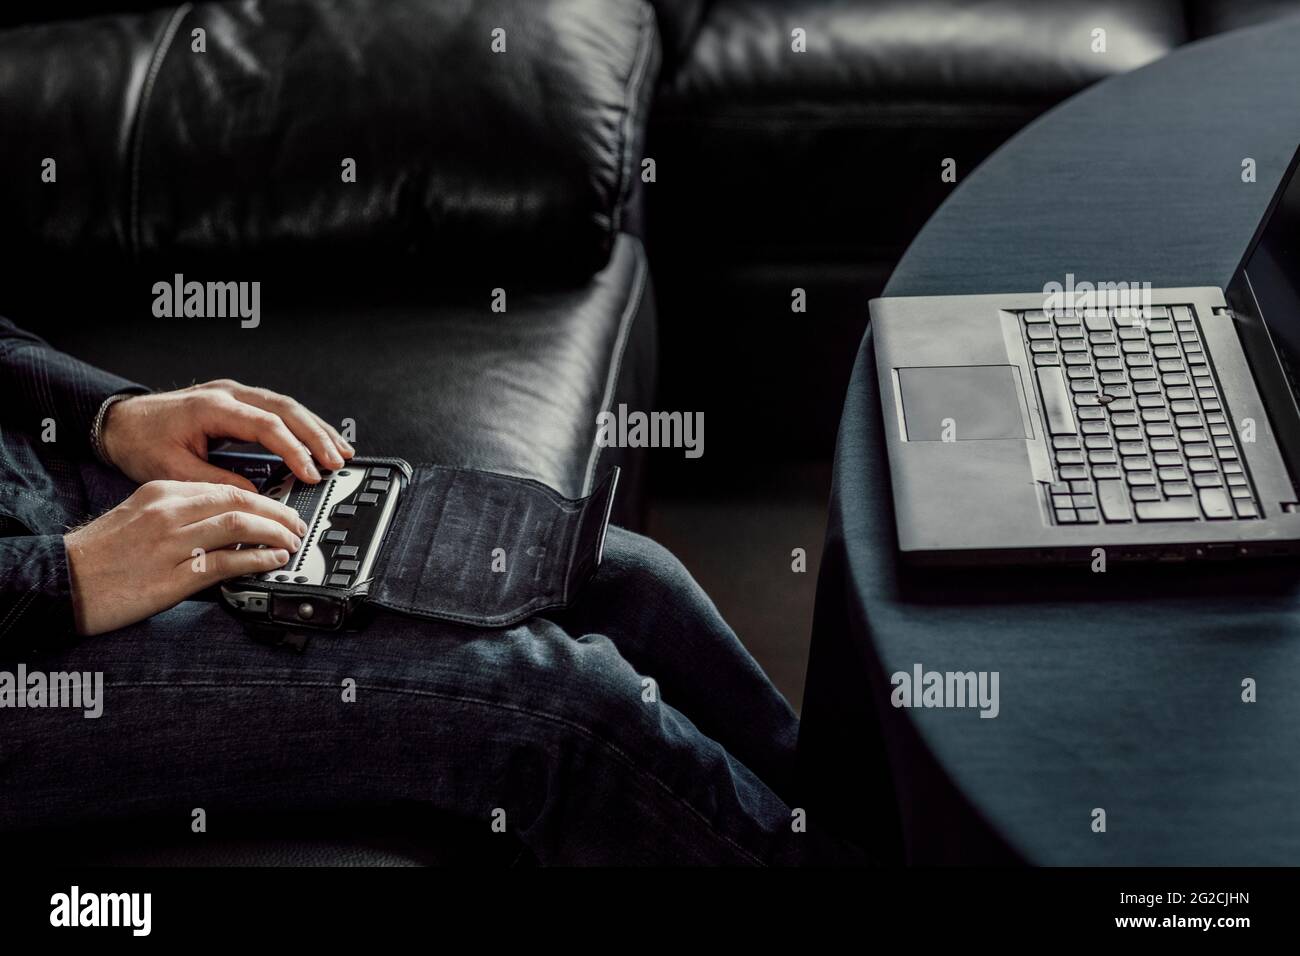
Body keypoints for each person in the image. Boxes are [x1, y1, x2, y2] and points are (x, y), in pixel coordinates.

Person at [0, 317, 833, 865]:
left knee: (626, 578)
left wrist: (111, 415)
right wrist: (59, 578)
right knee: (559, 706)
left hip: (36, 479)